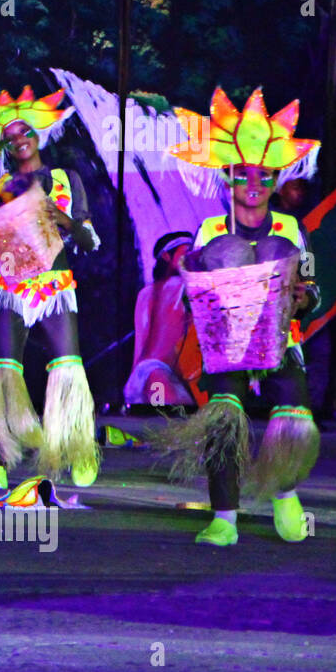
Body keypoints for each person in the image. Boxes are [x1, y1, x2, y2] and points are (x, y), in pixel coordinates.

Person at [157, 88, 321, 546]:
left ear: (274, 181)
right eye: (242, 174)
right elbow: (192, 299)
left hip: (279, 342)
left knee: (293, 410)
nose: (253, 183)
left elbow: (314, 288)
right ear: (227, 179)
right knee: (223, 417)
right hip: (226, 346)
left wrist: (304, 298)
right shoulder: (210, 232)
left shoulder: (292, 230)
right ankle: (224, 519)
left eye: (264, 175)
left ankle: (284, 493)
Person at [0, 86, 101, 488]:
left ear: (39, 134)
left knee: (68, 365)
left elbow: (89, 242)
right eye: (9, 138)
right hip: (9, 286)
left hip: (54, 283)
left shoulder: (66, 179)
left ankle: (76, 449)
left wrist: (62, 220)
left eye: (24, 131)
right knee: (4, 370)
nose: (19, 140)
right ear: (5, 148)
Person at [125, 231, 196, 407]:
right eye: (186, 252)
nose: (192, 257)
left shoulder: (195, 289)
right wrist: (136, 379)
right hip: (155, 371)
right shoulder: (149, 293)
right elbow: (141, 341)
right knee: (167, 413)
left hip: (184, 374)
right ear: (166, 256)